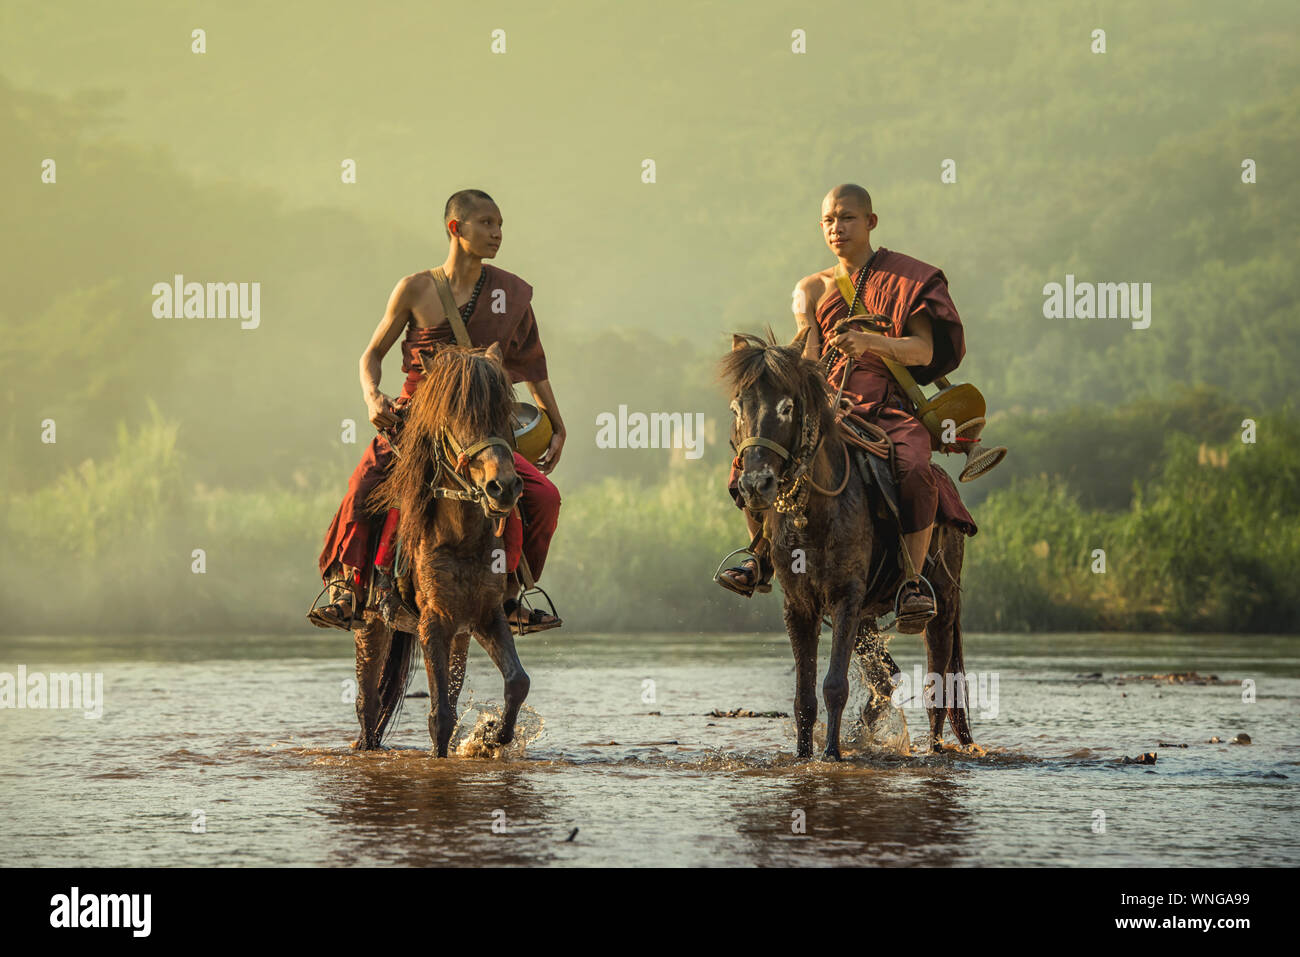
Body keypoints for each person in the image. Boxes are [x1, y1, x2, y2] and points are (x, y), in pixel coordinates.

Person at [311, 188, 565, 633]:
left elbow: (532, 367)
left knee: (544, 496)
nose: (497, 233)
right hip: (418, 420)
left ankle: (511, 592)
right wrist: (373, 397)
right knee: (363, 484)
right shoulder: (416, 289)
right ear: (455, 228)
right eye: (486, 223)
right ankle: (347, 587)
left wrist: (558, 426)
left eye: (500, 224)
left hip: (480, 427)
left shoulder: (511, 294)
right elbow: (370, 355)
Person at [717, 183, 968, 631]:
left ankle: (911, 581)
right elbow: (810, 357)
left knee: (914, 466)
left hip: (887, 407)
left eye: (848, 218)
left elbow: (924, 351)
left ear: (870, 222)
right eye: (829, 220)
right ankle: (760, 554)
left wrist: (869, 341)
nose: (838, 228)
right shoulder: (811, 289)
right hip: (830, 407)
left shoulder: (908, 279)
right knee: (747, 464)